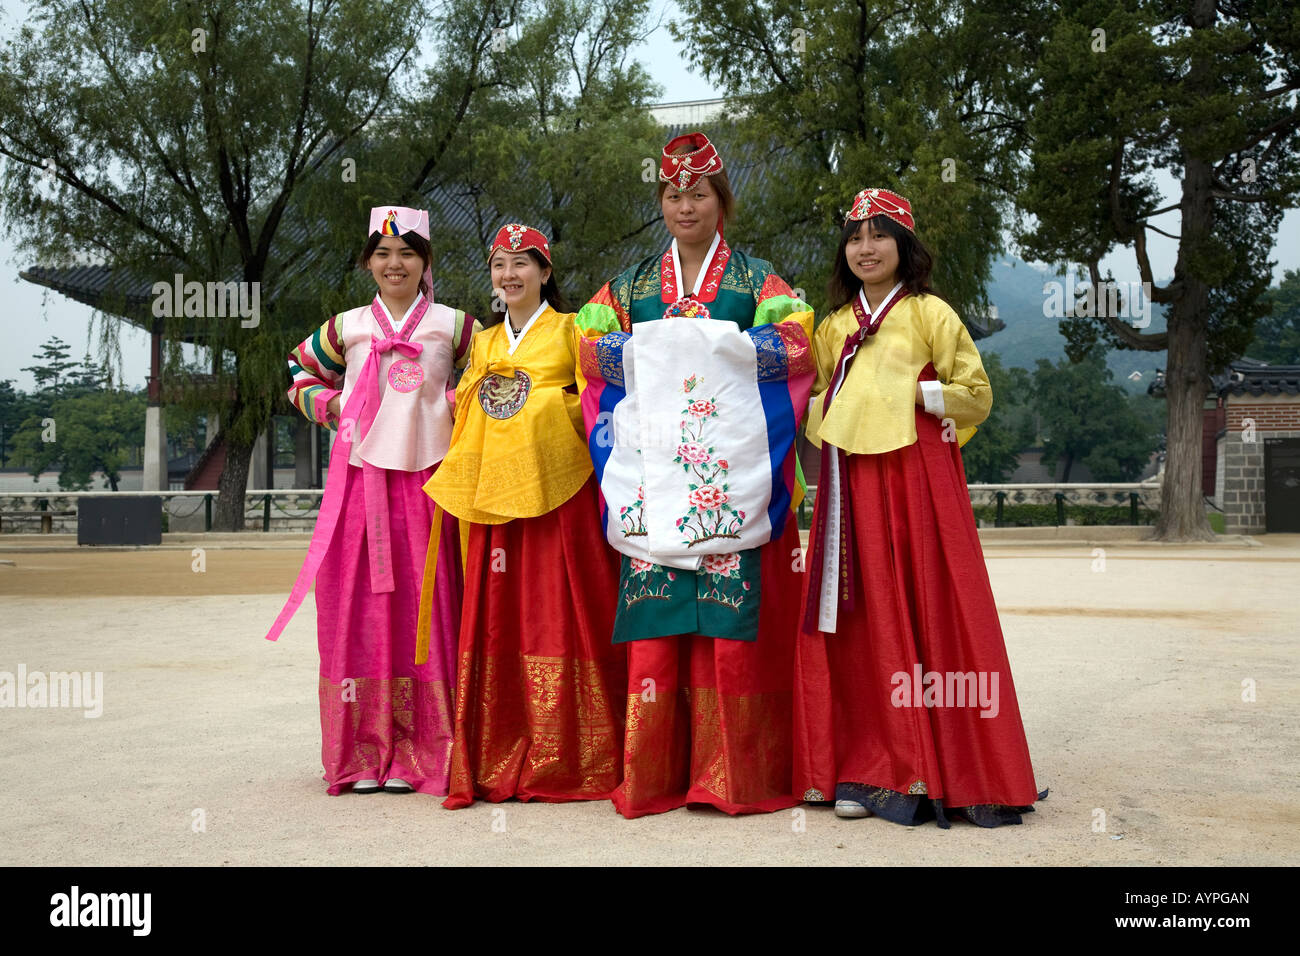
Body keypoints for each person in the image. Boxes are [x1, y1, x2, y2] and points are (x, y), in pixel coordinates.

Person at [575, 132, 815, 819]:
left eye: (699, 194)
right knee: (655, 628)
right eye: (674, 195)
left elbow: (800, 345)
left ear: (722, 201)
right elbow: (587, 352)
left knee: (729, 634)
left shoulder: (756, 282)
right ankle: (652, 778)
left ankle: (732, 776)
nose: (686, 206)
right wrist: (656, 347)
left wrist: (718, 346)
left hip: (728, 481)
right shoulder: (630, 288)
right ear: (662, 201)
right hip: (654, 484)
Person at [794, 187, 1045, 827]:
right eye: (855, 237)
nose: (866, 247)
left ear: (905, 247)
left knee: (932, 602)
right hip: (852, 484)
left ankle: (954, 768)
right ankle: (866, 765)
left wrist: (924, 395)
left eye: (880, 235)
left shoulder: (932, 313)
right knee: (862, 612)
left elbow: (975, 393)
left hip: (919, 476)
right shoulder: (834, 328)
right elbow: (817, 397)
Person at [267, 205, 477, 796]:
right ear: (368, 263)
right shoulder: (347, 328)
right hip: (361, 488)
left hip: (431, 484)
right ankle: (363, 753)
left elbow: (492, 370)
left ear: (425, 262)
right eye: (383, 254)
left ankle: (426, 750)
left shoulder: (454, 326)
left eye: (407, 253)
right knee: (357, 610)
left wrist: (461, 399)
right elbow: (298, 371)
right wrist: (332, 407)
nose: (394, 264)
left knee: (430, 609)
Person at [422, 223, 625, 807]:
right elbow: (466, 407)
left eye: (521, 264)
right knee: (499, 616)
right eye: (499, 265)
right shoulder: (484, 343)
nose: (509, 276)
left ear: (545, 271)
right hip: (494, 503)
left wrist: (542, 408)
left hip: (560, 497)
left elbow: (596, 399)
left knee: (563, 607)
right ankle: (500, 745)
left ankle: (578, 753)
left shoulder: (570, 330)